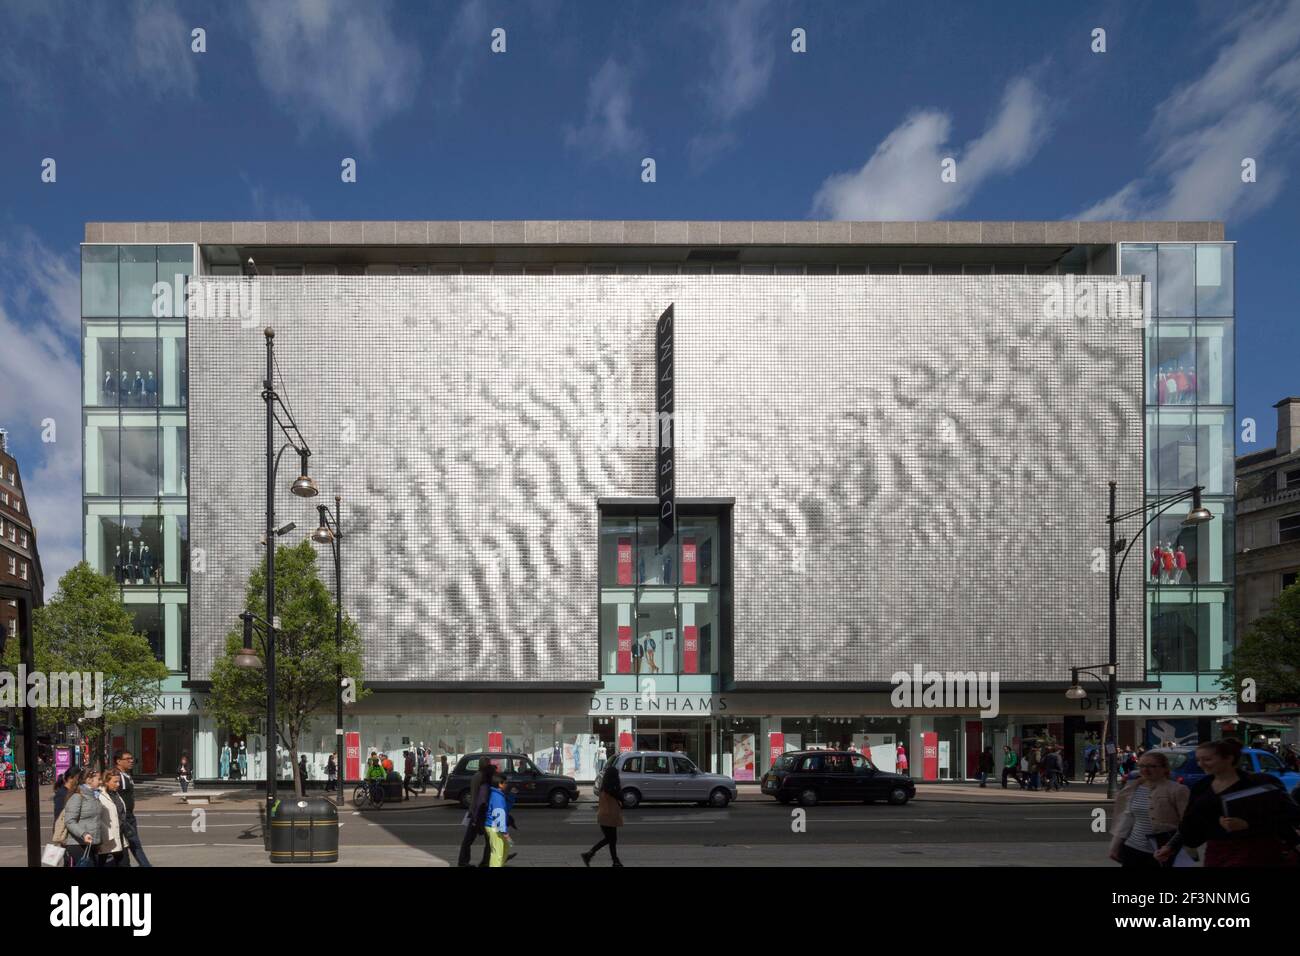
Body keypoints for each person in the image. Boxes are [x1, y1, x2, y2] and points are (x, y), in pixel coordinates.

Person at [1156, 737, 1300, 867]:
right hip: (1217, 851)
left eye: (1207, 759)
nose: (1201, 764)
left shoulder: (1261, 782)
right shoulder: (1202, 786)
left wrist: (1248, 824)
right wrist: (1171, 846)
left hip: (1257, 851)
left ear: (1229, 759)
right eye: (1198, 760)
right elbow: (1191, 821)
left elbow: (1291, 815)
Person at [1109, 751, 1189, 867]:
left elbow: (1187, 823)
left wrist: (1172, 846)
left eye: (1152, 766)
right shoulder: (1134, 787)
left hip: (1163, 851)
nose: (1146, 770)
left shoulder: (1178, 790)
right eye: (1142, 766)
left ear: (1164, 768)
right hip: (1133, 848)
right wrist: (1115, 845)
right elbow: (1128, 818)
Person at [114, 750, 151, 867]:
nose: (131, 761)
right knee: (133, 844)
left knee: (130, 844)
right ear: (118, 761)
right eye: (127, 759)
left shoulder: (127, 775)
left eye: (131, 758)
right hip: (123, 816)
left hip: (129, 815)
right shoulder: (117, 776)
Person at [582, 763, 624, 867]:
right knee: (610, 839)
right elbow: (622, 798)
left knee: (611, 839)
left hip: (603, 816)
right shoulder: (613, 789)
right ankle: (589, 854)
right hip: (610, 817)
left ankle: (615, 861)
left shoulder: (604, 787)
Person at [457, 759, 496, 867]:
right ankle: (484, 862)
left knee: (469, 839)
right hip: (481, 813)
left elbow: (474, 797)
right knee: (488, 841)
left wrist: (472, 810)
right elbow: (477, 797)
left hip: (479, 813)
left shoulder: (480, 776)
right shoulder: (483, 777)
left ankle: (463, 861)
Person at [62, 768, 104, 868]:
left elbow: (95, 820)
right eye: (98, 779)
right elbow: (69, 821)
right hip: (77, 843)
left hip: (91, 843)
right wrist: (83, 834)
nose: (101, 781)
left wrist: (98, 841)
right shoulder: (78, 796)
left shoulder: (94, 796)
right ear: (89, 780)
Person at [95, 769, 135, 867]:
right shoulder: (98, 795)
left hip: (120, 836)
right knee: (102, 863)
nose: (118, 784)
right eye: (115, 782)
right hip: (107, 838)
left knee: (125, 863)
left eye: (119, 782)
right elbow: (95, 818)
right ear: (106, 782)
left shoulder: (116, 794)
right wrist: (107, 832)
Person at [486, 773, 515, 867]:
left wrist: (512, 795)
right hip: (495, 827)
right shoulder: (497, 797)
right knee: (497, 853)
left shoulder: (498, 795)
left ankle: (500, 864)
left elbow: (505, 808)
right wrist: (504, 832)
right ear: (500, 784)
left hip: (497, 826)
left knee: (505, 847)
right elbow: (499, 815)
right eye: (505, 782)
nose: (507, 784)